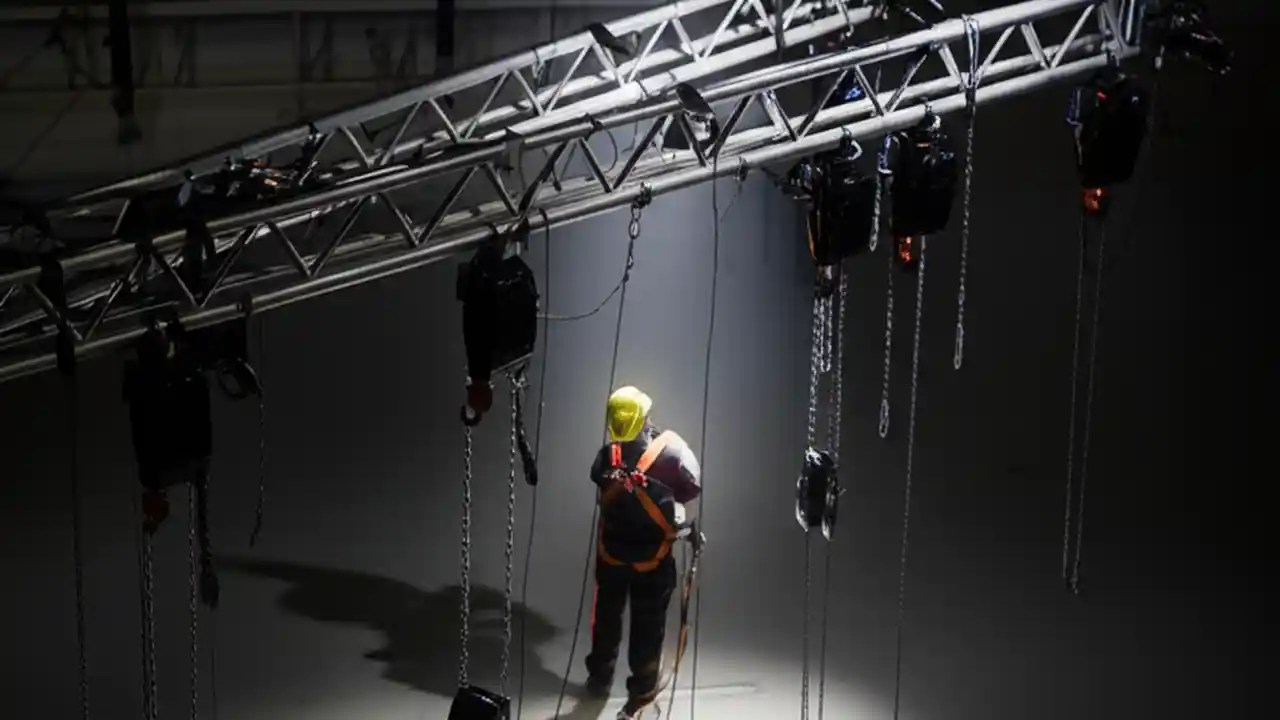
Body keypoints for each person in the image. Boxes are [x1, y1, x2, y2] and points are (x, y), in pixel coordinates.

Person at [585, 386, 703, 718]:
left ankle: (599, 676)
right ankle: (642, 687)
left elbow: (599, 481)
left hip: (611, 557)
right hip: (653, 560)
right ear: (645, 417)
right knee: (648, 626)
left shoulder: (607, 456)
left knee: (606, 618)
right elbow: (692, 486)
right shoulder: (672, 453)